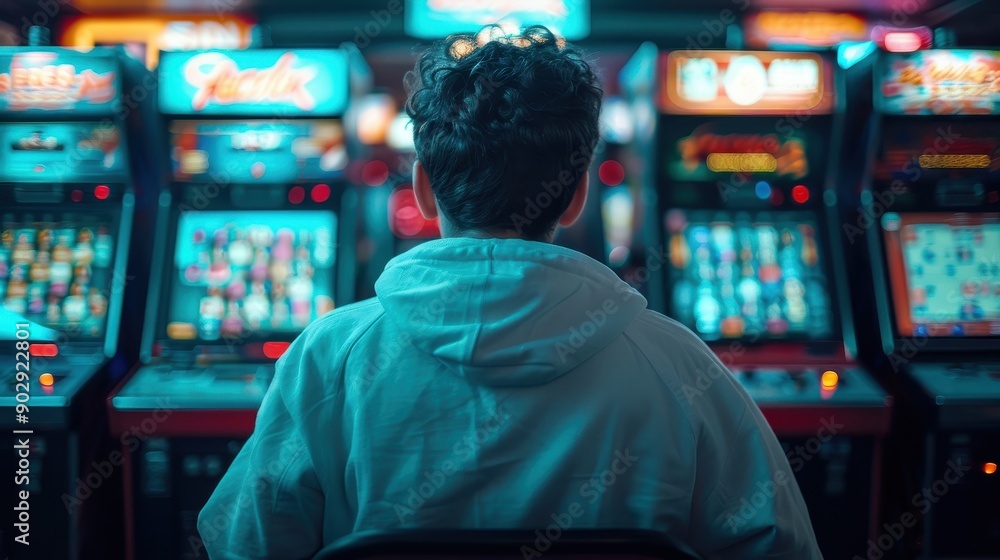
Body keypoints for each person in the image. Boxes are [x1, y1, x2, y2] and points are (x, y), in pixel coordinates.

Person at [197, 26, 822, 560]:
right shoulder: (678, 363)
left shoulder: (329, 357)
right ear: (578, 196)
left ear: (421, 188)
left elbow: (244, 542)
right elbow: (779, 546)